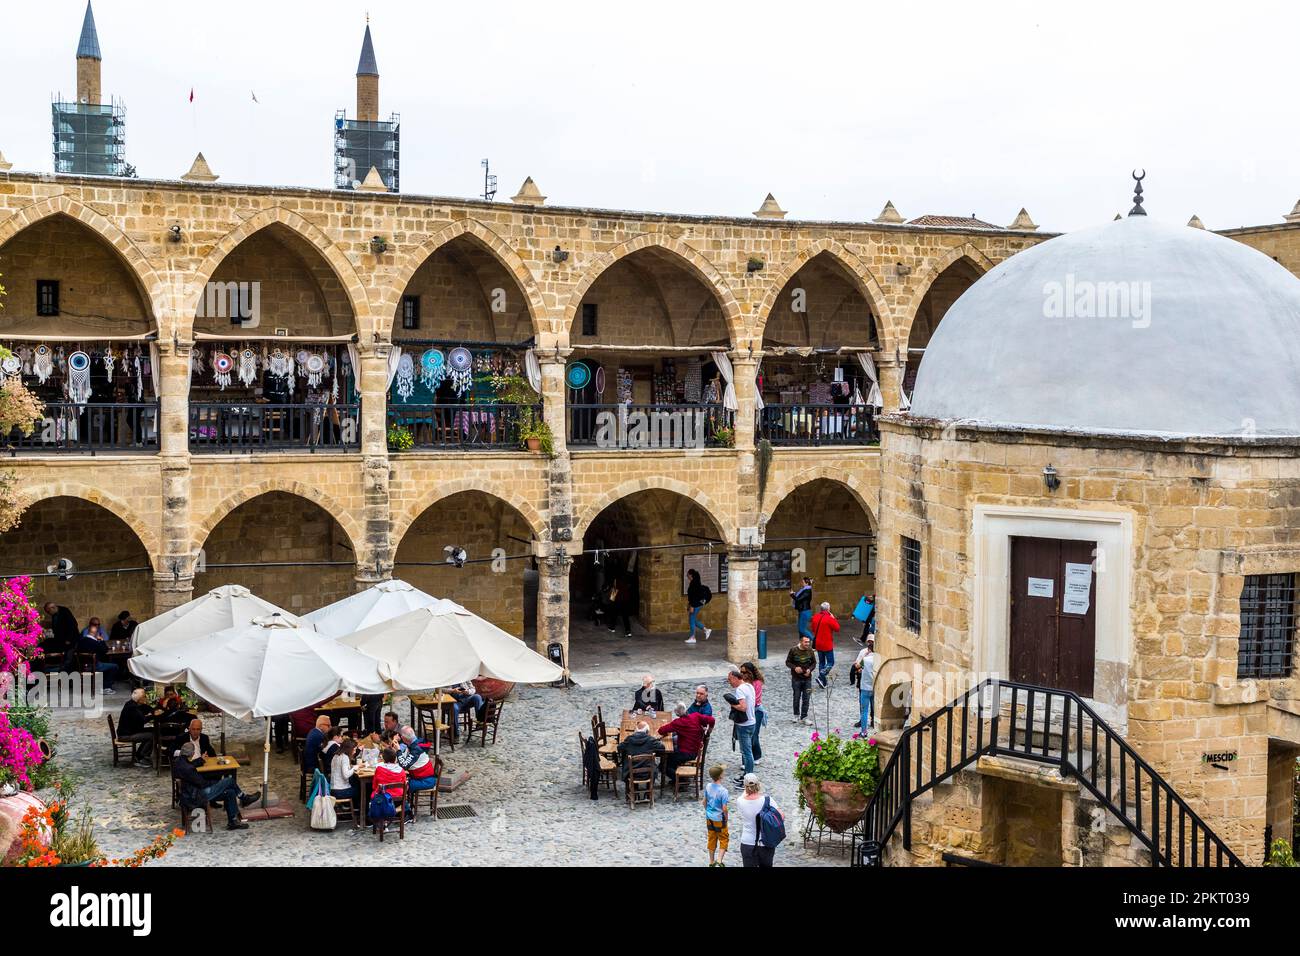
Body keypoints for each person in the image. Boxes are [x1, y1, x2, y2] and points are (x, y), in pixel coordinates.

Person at [173, 742, 258, 831]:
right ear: (192, 753)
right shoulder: (188, 769)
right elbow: (202, 783)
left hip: (191, 793)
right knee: (229, 781)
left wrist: (201, 759)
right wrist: (217, 783)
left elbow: (191, 765)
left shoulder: (179, 762)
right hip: (197, 796)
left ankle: (233, 822)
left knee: (230, 792)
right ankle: (244, 798)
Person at [656, 702, 716, 776]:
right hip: (695, 750)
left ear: (677, 714)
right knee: (670, 754)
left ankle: (679, 779)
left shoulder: (678, 722)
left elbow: (661, 730)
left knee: (663, 765)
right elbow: (712, 720)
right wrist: (709, 731)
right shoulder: (696, 716)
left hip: (686, 753)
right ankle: (675, 771)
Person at [737, 773, 781, 867]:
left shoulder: (740, 801)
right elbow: (781, 816)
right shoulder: (768, 800)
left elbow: (744, 794)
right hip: (765, 842)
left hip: (747, 842)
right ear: (758, 785)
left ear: (745, 786)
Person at [726, 668, 757, 786]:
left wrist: (732, 704)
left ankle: (749, 780)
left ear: (735, 677)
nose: (730, 682)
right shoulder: (749, 686)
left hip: (744, 724)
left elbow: (743, 707)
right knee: (747, 751)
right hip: (751, 722)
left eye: (730, 680)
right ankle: (746, 775)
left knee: (746, 752)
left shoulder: (740, 689)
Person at [75, 618, 119, 693]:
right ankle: (106, 687)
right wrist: (101, 640)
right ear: (96, 634)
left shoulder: (81, 641)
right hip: (93, 666)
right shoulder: (95, 643)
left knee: (104, 664)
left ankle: (100, 684)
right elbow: (105, 650)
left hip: (82, 666)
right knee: (114, 666)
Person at [397, 726, 440, 801]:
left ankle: (405, 809)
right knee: (400, 781)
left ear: (404, 738)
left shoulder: (416, 749)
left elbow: (404, 765)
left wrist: (398, 751)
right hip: (420, 777)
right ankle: (404, 807)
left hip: (426, 781)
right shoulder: (416, 743)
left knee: (400, 786)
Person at [116, 688, 155, 765]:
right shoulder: (132, 707)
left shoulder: (134, 704)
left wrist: (152, 711)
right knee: (152, 736)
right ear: (140, 699)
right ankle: (140, 757)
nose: (146, 698)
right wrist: (153, 715)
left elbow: (148, 709)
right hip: (126, 735)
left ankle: (140, 754)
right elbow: (143, 720)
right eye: (144, 697)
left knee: (154, 730)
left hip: (133, 730)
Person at [370, 747, 410, 821]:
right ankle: (400, 811)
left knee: (372, 793)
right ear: (395, 758)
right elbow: (405, 786)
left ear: (384, 758)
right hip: (398, 799)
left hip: (382, 798)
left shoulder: (379, 769)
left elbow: (374, 785)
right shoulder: (401, 771)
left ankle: (374, 816)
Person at [785, 634, 816, 724]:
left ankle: (804, 717)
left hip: (807, 678)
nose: (807, 644)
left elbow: (814, 663)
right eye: (805, 642)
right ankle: (796, 715)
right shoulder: (793, 650)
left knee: (806, 698)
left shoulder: (810, 650)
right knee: (796, 697)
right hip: (796, 678)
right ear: (801, 642)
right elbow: (788, 662)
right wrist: (794, 668)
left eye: (808, 642)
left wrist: (810, 670)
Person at [704, 764, 730, 867]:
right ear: (720, 776)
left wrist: (708, 811)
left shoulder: (708, 786)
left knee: (711, 837)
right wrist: (726, 818)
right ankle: (719, 861)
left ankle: (711, 861)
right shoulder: (723, 791)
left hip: (709, 818)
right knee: (723, 838)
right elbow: (724, 808)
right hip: (720, 819)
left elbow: (704, 802)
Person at [740, 662, 766, 765]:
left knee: (754, 735)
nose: (742, 674)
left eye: (744, 672)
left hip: (756, 710)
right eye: (741, 672)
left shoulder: (757, 682)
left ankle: (755, 756)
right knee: (744, 736)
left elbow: (755, 698)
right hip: (745, 710)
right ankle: (747, 758)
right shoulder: (743, 683)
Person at [811, 601, 840, 688]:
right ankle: (822, 675)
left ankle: (823, 683)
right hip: (827, 644)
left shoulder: (815, 617)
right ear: (828, 609)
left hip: (818, 643)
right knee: (831, 662)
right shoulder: (829, 618)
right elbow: (837, 628)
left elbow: (813, 629)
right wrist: (833, 618)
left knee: (822, 662)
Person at [329, 737, 362, 809]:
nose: (354, 751)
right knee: (361, 789)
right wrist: (354, 768)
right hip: (340, 791)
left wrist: (351, 767)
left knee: (355, 782)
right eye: (354, 749)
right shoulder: (344, 757)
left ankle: (349, 806)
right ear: (349, 749)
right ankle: (357, 808)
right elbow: (346, 775)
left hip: (333, 789)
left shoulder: (336, 755)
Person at [684, 568, 713, 645]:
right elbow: (692, 596)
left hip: (696, 604)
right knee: (693, 619)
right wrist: (690, 604)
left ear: (691, 575)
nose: (687, 576)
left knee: (691, 620)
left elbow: (694, 596)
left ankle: (692, 637)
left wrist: (692, 606)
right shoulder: (695, 582)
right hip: (696, 604)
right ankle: (706, 630)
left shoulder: (694, 584)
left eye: (687, 575)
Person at [852, 638, 876, 731]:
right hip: (875, 688)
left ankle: (864, 732)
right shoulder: (879, 659)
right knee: (876, 711)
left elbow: (857, 665)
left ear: (869, 649)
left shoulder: (866, 660)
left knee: (864, 711)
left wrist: (865, 655)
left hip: (865, 687)